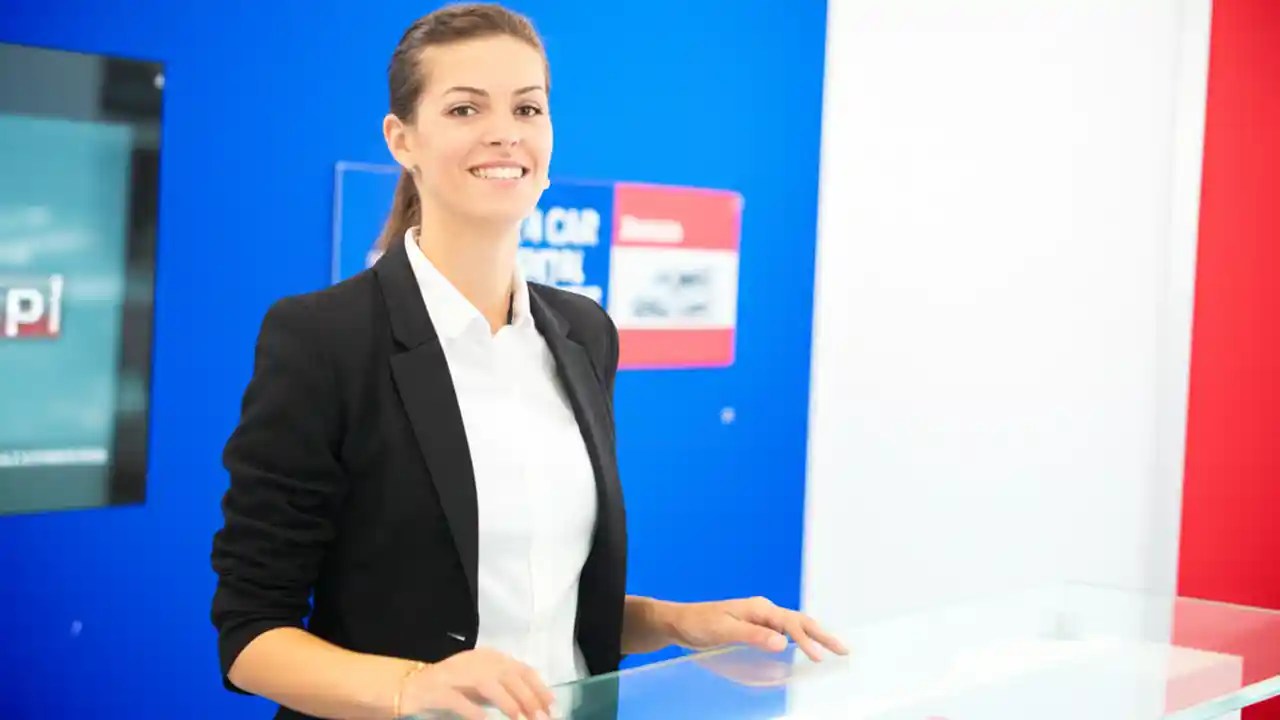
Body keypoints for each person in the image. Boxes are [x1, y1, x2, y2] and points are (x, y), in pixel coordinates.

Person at [209, 4, 846, 719]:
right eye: (464, 108)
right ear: (401, 139)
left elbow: (543, 608)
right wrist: (412, 687)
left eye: (527, 108)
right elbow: (251, 636)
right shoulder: (323, 338)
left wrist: (675, 623)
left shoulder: (584, 333)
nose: (504, 132)